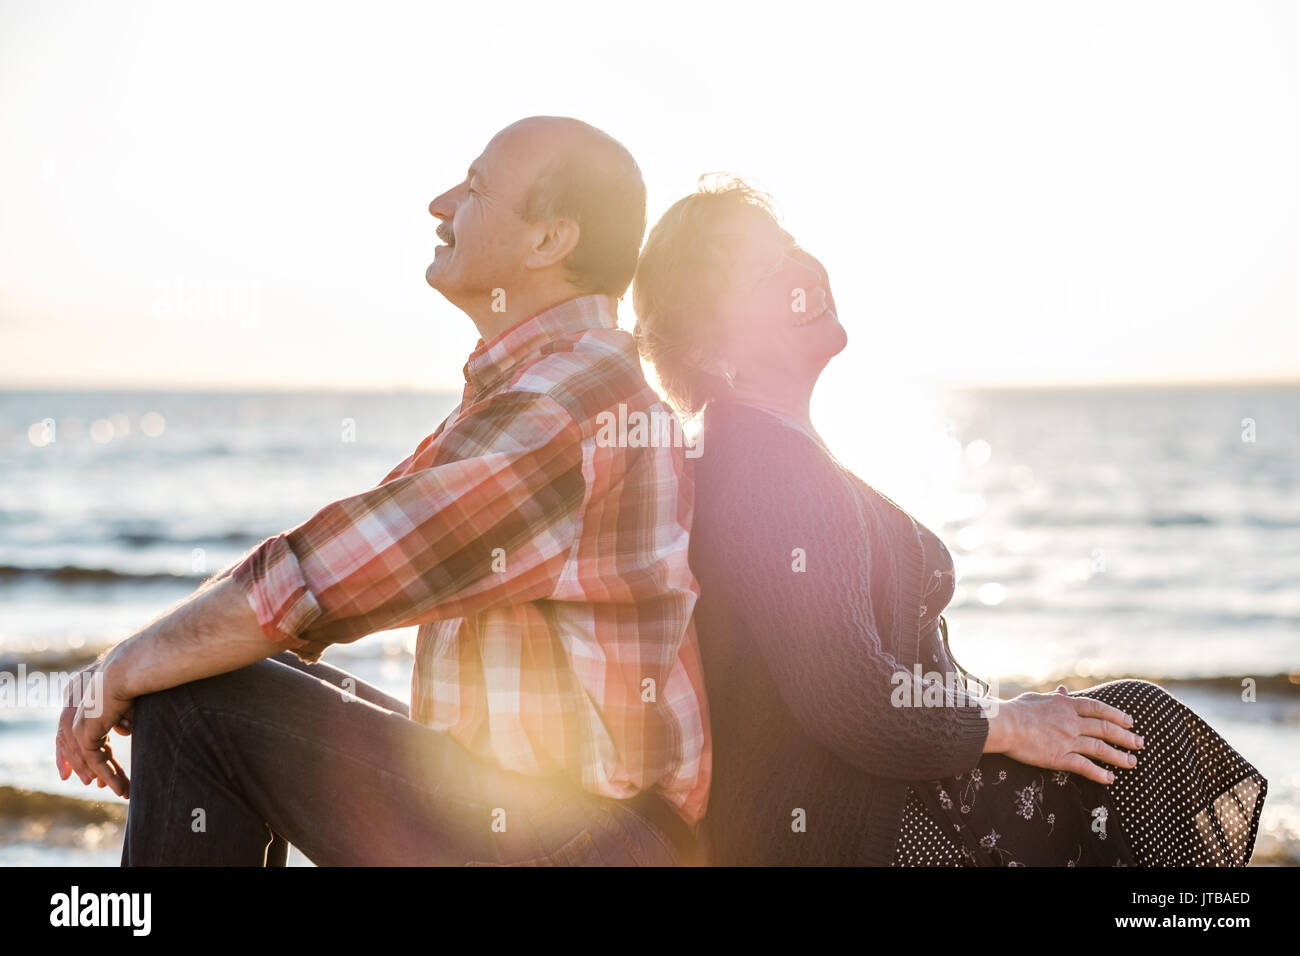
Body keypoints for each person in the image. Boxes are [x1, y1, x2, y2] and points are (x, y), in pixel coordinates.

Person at [55, 116, 711, 867]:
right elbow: (324, 559)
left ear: (548, 242)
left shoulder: (567, 405)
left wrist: (123, 671)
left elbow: (328, 581)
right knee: (206, 668)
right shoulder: (544, 387)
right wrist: (151, 657)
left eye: (475, 187)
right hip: (554, 823)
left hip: (587, 842)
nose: (441, 203)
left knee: (195, 700)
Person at [630, 173, 1268, 866]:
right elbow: (853, 701)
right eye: (762, 268)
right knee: (1141, 743)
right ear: (703, 347)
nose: (799, 268)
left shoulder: (765, 449)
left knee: (1125, 733)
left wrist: (1008, 718)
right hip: (859, 833)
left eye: (791, 245)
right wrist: (1010, 724)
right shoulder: (766, 464)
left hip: (870, 807)